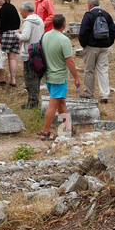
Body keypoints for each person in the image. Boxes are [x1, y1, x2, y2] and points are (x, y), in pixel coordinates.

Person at [39, 12, 81, 141]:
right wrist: (76, 77)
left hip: (48, 75)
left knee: (61, 102)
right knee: (53, 104)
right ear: (63, 24)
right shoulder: (64, 40)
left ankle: (68, 128)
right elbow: (69, 61)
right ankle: (45, 131)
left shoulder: (45, 36)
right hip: (59, 76)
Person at [78, 0, 115, 103]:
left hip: (91, 47)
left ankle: (88, 93)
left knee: (89, 70)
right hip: (104, 47)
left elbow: (83, 32)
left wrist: (84, 44)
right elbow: (113, 30)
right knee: (103, 70)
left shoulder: (89, 15)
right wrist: (108, 43)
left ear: (90, 5)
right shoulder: (106, 14)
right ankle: (104, 95)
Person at [17, 0, 45, 110]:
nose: (21, 14)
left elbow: (25, 37)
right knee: (36, 77)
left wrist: (17, 34)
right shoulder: (39, 19)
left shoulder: (28, 22)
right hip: (39, 51)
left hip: (28, 53)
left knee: (29, 78)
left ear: (25, 10)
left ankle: (32, 102)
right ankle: (34, 100)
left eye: (21, 11)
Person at [0, 0, 21, 87]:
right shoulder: (12, 7)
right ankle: (13, 80)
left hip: (6, 34)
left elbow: (1, 24)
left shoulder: (4, 8)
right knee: (12, 57)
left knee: (0, 55)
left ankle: (1, 78)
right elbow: (18, 21)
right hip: (15, 34)